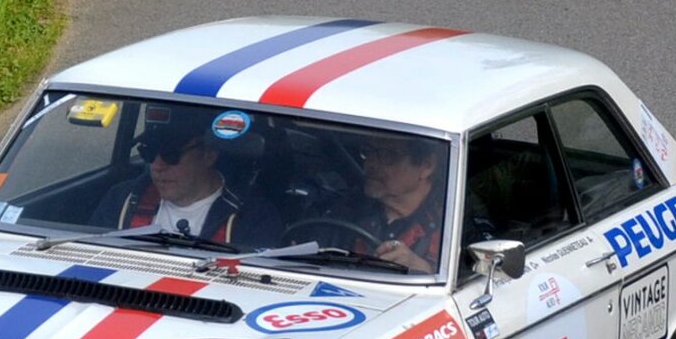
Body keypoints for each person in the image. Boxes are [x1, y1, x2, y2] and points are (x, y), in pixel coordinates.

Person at [89, 115, 282, 248]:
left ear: (208, 156)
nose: (157, 166)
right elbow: (90, 251)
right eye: (148, 153)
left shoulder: (254, 216)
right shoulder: (122, 198)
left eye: (171, 155)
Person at [319, 134, 463, 273]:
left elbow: (472, 283)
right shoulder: (341, 208)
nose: (371, 163)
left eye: (388, 155)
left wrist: (425, 271)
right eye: (368, 151)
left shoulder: (455, 221)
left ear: (427, 166)